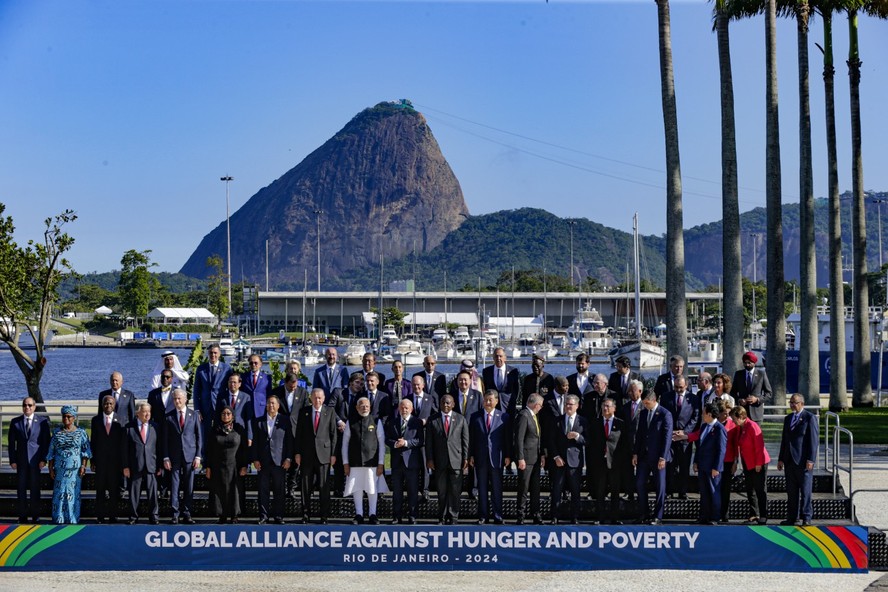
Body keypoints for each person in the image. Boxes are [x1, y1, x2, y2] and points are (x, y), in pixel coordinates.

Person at [295, 388, 338, 524]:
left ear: (324, 398)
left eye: (319, 398)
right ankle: (306, 514)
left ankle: (324, 515)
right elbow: (298, 435)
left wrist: (333, 454)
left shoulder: (330, 412)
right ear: (310, 398)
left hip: (324, 455)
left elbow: (333, 435)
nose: (317, 400)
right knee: (305, 486)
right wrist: (297, 453)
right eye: (315, 398)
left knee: (323, 486)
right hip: (306, 455)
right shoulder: (304, 412)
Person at [342, 397, 388, 524]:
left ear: (370, 407)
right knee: (357, 489)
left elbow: (382, 444)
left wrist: (381, 463)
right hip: (354, 462)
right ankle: (359, 514)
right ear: (357, 408)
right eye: (362, 406)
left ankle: (373, 514)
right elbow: (345, 444)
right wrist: (345, 462)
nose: (364, 408)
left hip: (371, 463)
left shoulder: (376, 421)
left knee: (372, 489)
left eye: (367, 406)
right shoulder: (350, 422)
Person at [425, 394, 469, 524]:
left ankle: (454, 516)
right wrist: (429, 459)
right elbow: (429, 442)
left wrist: (465, 458)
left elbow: (465, 440)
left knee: (455, 492)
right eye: (443, 403)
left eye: (448, 403)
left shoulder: (461, 419)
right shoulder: (433, 420)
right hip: (439, 462)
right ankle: (442, 517)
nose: (445, 405)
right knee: (441, 492)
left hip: (456, 460)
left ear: (453, 404)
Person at [469, 391, 511, 524]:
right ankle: (483, 516)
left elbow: (507, 439)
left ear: (496, 401)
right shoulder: (475, 416)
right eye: (486, 400)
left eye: (490, 400)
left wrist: (508, 455)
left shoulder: (504, 416)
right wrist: (471, 455)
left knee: (497, 489)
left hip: (497, 458)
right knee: (482, 489)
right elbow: (471, 438)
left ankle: (498, 516)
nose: (487, 402)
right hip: (480, 457)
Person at [778, 394, 819, 526]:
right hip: (789, 460)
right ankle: (792, 517)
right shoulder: (788, 418)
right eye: (790, 402)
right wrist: (781, 459)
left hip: (803, 461)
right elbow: (784, 440)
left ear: (802, 403)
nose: (792, 405)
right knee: (791, 491)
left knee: (805, 491)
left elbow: (813, 441)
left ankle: (806, 517)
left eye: (794, 403)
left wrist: (811, 459)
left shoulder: (809, 418)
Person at [8, 396, 50, 524]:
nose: (27, 407)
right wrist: (12, 460)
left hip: (36, 461)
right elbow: (11, 444)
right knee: (21, 489)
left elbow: (45, 442)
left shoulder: (42, 422)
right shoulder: (15, 422)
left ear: (34, 407)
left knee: (35, 489)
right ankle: (22, 516)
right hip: (20, 462)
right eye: (25, 405)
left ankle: (35, 516)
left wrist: (44, 459)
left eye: (30, 405)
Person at [46, 405, 91, 524]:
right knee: (59, 494)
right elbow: (51, 451)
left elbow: (85, 451)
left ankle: (72, 519)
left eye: (68, 416)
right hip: (60, 469)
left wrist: (83, 466)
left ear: (74, 418)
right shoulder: (56, 432)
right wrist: (50, 468)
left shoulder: (81, 433)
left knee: (73, 495)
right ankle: (59, 518)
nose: (66, 419)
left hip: (75, 470)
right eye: (64, 416)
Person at [162, 389, 202, 525]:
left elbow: (199, 437)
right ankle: (175, 514)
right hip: (174, 457)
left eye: (179, 399)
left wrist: (198, 456)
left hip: (190, 456)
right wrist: (166, 457)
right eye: (174, 399)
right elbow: (165, 439)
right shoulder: (169, 416)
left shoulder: (194, 415)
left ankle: (187, 513)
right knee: (174, 486)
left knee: (189, 486)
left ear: (185, 399)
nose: (177, 401)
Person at [633, 391, 673, 525]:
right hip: (644, 456)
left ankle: (658, 516)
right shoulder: (644, 413)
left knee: (660, 486)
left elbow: (667, 438)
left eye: (646, 403)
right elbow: (639, 434)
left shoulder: (665, 414)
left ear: (653, 400)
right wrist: (635, 453)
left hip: (658, 457)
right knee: (639, 483)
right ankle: (643, 513)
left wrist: (663, 457)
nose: (644, 406)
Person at [252, 394, 293, 525]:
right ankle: (263, 516)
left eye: (273, 403)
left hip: (279, 461)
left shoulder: (285, 420)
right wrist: (255, 459)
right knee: (263, 490)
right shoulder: (259, 421)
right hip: (263, 461)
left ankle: (278, 516)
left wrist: (288, 458)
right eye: (269, 403)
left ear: (278, 406)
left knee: (279, 490)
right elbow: (255, 442)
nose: (271, 405)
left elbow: (289, 440)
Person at [547, 394, 587, 524]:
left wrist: (577, 437)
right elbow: (551, 440)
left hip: (575, 462)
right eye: (566, 404)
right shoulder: (556, 420)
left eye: (571, 404)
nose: (568, 406)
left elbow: (588, 440)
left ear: (577, 406)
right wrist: (556, 456)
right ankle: (554, 516)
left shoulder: (583, 421)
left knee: (575, 491)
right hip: (559, 461)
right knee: (557, 490)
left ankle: (575, 516)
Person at [205, 405, 248, 524]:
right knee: (220, 490)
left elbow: (244, 449)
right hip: (218, 465)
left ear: (233, 416)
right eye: (223, 413)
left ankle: (234, 515)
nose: (226, 416)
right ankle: (222, 515)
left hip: (234, 465)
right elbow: (209, 450)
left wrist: (244, 465)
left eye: (228, 414)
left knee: (234, 491)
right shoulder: (215, 429)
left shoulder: (239, 429)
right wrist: (208, 467)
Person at [385, 398, 424, 524]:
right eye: (402, 407)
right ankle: (397, 516)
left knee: (412, 491)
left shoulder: (417, 422)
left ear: (411, 409)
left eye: (407, 408)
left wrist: (406, 443)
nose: (404, 410)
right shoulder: (392, 422)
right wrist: (395, 444)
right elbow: (387, 439)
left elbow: (420, 440)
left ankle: (412, 516)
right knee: (397, 492)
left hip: (411, 462)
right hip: (397, 463)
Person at [589, 398, 628, 525]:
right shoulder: (595, 423)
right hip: (599, 462)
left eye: (607, 406)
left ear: (614, 408)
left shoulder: (621, 423)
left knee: (615, 491)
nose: (605, 408)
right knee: (600, 491)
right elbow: (592, 443)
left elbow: (624, 444)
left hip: (615, 462)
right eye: (603, 406)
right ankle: (600, 517)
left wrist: (621, 460)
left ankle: (615, 517)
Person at [661, 375, 700, 499]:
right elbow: (663, 415)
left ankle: (682, 491)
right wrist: (671, 432)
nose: (678, 389)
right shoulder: (666, 397)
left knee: (684, 465)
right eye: (676, 387)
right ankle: (669, 490)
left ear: (686, 386)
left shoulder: (693, 399)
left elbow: (695, 417)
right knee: (670, 465)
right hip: (670, 436)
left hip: (685, 438)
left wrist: (684, 433)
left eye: (681, 387)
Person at [730, 405, 770, 524]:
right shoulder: (740, 428)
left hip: (758, 462)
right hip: (747, 462)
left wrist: (758, 463)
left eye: (734, 418)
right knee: (750, 489)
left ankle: (763, 515)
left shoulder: (753, 426)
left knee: (760, 489)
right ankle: (754, 514)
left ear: (741, 417)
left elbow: (759, 446)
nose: (733, 421)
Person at [122, 401, 161, 525]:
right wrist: (126, 466)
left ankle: (154, 516)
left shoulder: (155, 427)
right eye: (144, 412)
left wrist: (159, 466)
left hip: (151, 466)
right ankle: (133, 516)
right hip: (135, 466)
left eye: (149, 412)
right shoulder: (129, 428)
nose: (147, 414)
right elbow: (124, 449)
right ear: (137, 413)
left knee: (153, 493)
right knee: (134, 493)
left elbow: (158, 448)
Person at [691, 402, 727, 525]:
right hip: (702, 465)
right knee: (704, 493)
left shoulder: (719, 428)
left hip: (713, 467)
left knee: (714, 492)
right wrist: (696, 461)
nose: (702, 415)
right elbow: (699, 446)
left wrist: (716, 467)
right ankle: (704, 516)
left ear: (710, 414)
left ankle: (714, 517)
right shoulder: (703, 427)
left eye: (703, 412)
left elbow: (721, 449)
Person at [90, 395, 125, 523]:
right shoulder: (96, 420)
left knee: (114, 490)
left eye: (110, 403)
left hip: (115, 463)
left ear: (114, 405)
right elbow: (93, 441)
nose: (108, 406)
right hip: (100, 462)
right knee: (100, 490)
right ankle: (100, 516)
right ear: (102, 405)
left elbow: (123, 443)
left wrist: (123, 463)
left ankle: (113, 516)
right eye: (105, 404)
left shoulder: (121, 420)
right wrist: (92, 460)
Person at [193, 344, 232, 453]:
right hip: (205, 408)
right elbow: (196, 391)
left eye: (215, 353)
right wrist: (197, 409)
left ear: (219, 354)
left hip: (221, 407)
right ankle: (205, 462)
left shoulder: (227, 368)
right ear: (208, 354)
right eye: (211, 353)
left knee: (221, 434)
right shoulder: (201, 369)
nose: (213, 355)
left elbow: (230, 388)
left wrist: (228, 408)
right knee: (205, 435)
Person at [514, 393, 545, 525]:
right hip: (526, 459)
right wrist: (520, 458)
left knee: (535, 488)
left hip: (535, 458)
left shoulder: (533, 416)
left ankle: (535, 513)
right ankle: (521, 515)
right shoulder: (524, 415)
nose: (541, 408)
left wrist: (542, 454)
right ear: (536, 405)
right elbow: (519, 438)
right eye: (541, 406)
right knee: (524, 488)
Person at [409, 374, 438, 501]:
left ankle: (425, 490)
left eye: (418, 384)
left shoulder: (430, 398)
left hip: (426, 436)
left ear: (423, 385)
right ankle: (413, 489)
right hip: (410, 436)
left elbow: (436, 414)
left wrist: (427, 420)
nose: (416, 387)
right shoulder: (407, 398)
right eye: (414, 384)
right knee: (412, 465)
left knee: (425, 464)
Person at [619, 379, 645, 502]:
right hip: (627, 444)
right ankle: (629, 492)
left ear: (640, 391)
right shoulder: (625, 407)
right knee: (627, 470)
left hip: (640, 444)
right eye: (629, 390)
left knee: (640, 471)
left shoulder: (645, 407)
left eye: (632, 390)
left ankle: (640, 494)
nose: (630, 393)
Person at [730, 352, 772, 424]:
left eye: (749, 363)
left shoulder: (761, 374)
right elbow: (733, 392)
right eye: (745, 363)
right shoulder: (738, 374)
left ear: (754, 363)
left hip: (756, 414)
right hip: (742, 414)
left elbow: (769, 393)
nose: (747, 365)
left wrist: (757, 399)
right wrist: (739, 400)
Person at [482, 347, 520, 414]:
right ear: (493, 358)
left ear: (505, 358)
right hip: (492, 408)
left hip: (508, 408)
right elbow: (485, 389)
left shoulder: (513, 371)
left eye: (500, 356)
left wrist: (512, 401)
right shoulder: (486, 371)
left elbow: (516, 389)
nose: (498, 358)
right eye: (496, 356)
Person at [241, 354, 272, 419]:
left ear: (260, 364)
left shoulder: (267, 378)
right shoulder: (243, 377)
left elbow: (269, 394)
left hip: (262, 409)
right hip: (247, 408)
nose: (253, 365)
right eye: (251, 363)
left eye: (256, 363)